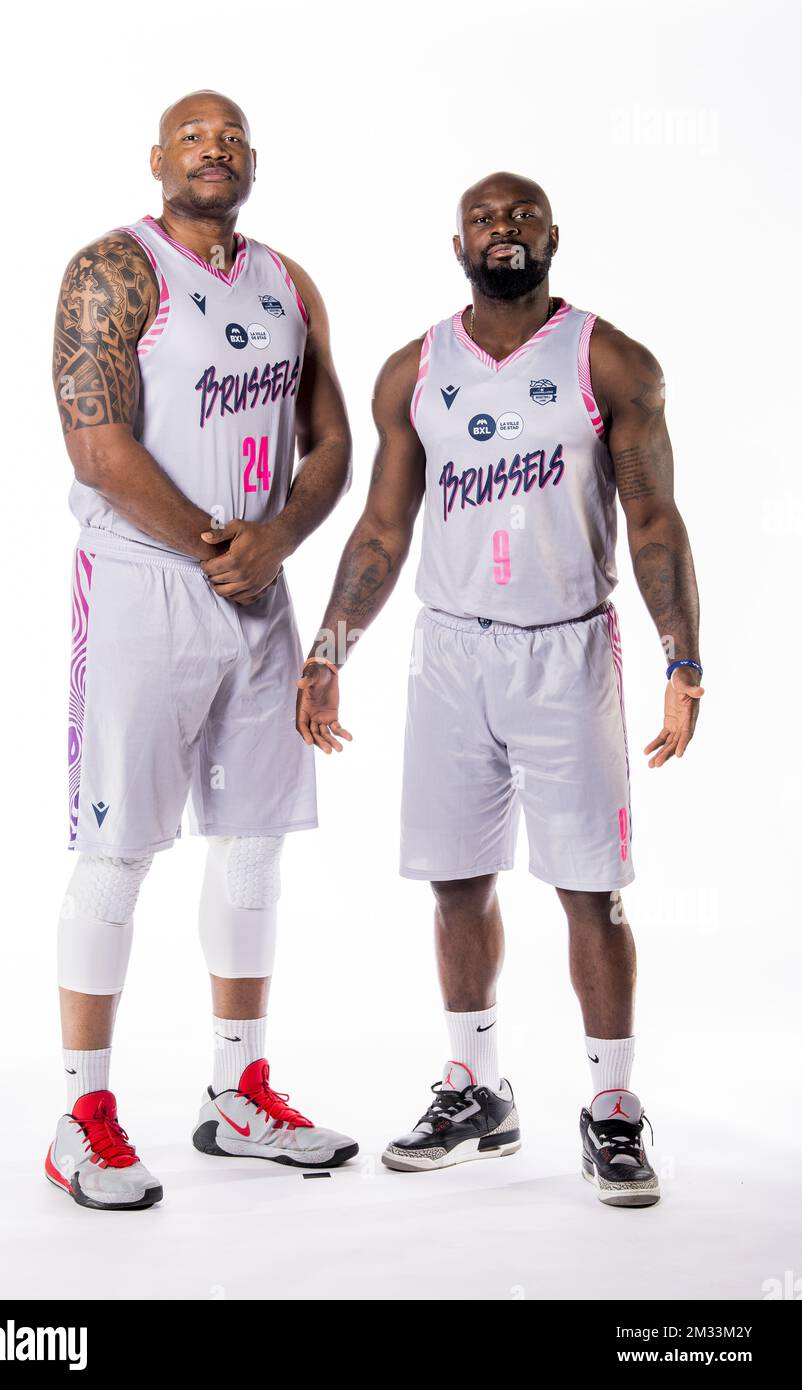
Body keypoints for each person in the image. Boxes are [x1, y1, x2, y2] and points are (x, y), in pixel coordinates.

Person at [297, 171, 703, 1207]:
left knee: (587, 887)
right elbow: (384, 527)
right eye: (484, 217)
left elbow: (653, 520)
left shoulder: (606, 359)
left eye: (521, 216)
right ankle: (474, 1086)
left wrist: (680, 658)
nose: (503, 230)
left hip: (566, 650)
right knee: (455, 878)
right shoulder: (413, 371)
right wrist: (331, 645)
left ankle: (611, 1107)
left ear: (551, 235)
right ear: (457, 243)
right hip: (451, 653)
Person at [47, 90, 357, 1210]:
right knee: (120, 849)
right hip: (144, 588)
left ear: (253, 162)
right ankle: (82, 1117)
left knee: (253, 842)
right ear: (157, 160)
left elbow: (332, 439)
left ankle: (237, 1093)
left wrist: (272, 540)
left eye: (228, 138)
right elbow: (95, 442)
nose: (211, 150)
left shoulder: (285, 280)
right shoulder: (110, 270)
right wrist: (211, 545)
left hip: (258, 591)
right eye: (192, 137)